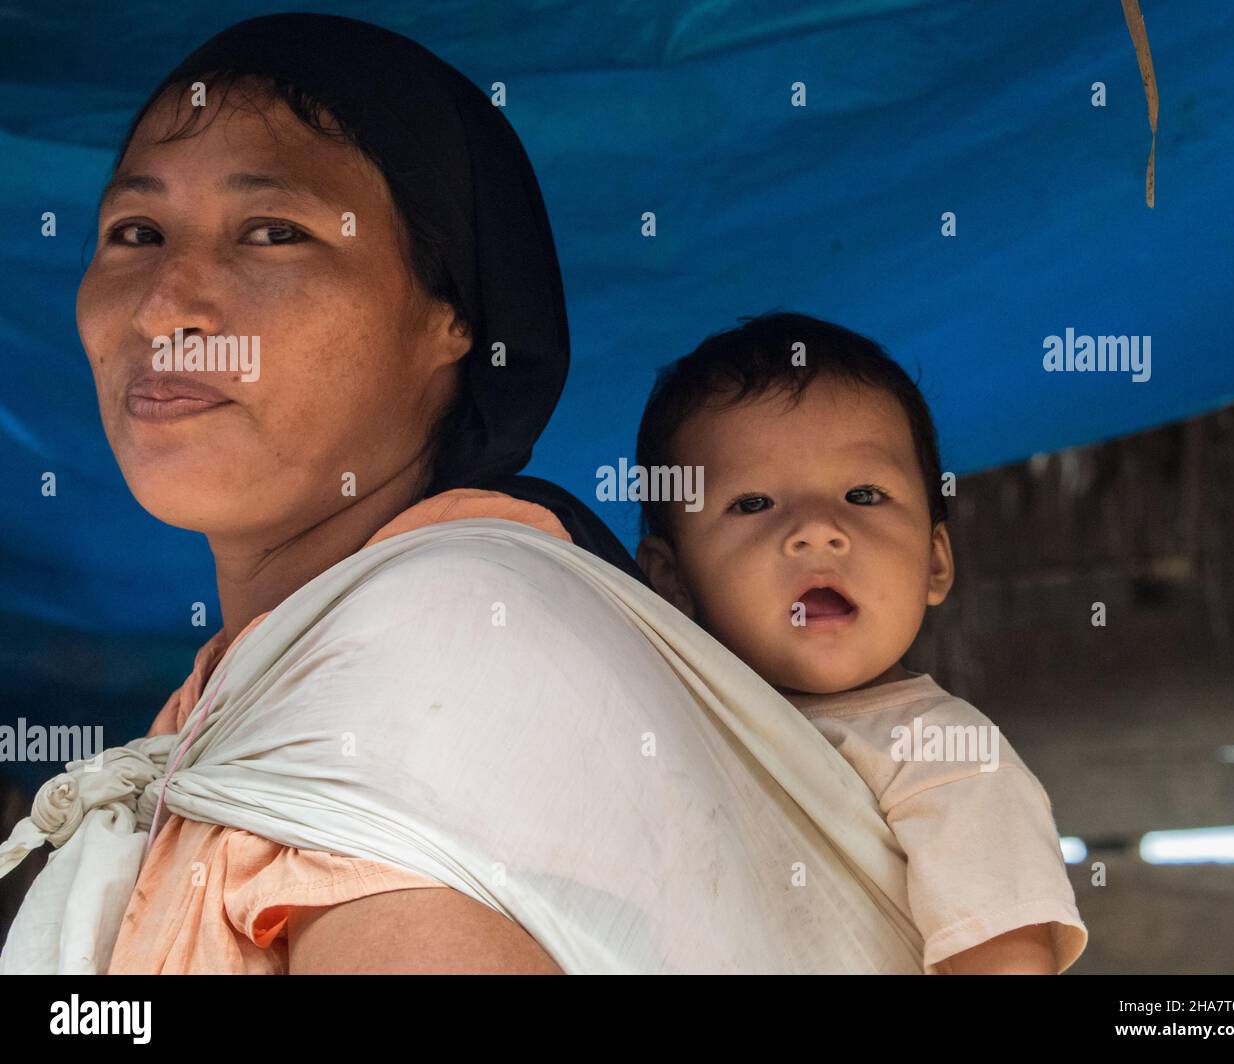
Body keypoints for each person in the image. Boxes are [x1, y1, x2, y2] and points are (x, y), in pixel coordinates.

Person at [0, 17, 926, 975]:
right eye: (135, 233)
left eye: (275, 232)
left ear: (452, 318)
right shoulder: (246, 689)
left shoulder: (448, 638)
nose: (163, 306)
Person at [635, 312, 1089, 974]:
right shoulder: (663, 721)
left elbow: (1004, 963)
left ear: (935, 563)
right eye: (755, 504)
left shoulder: (942, 751)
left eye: (863, 494)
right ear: (673, 581)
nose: (817, 530)